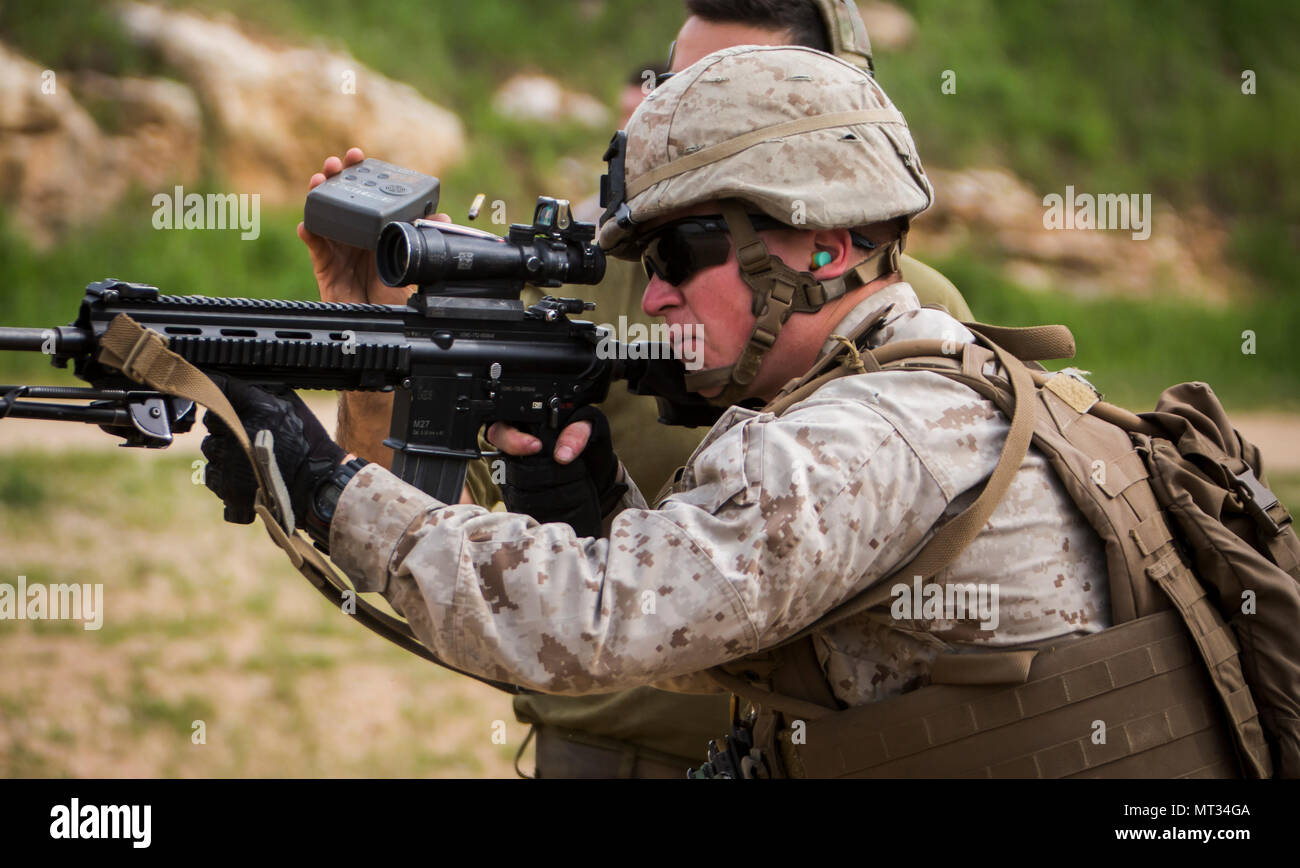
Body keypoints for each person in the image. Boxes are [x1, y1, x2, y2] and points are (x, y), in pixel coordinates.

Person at [202, 44, 1155, 779]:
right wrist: (596, 512)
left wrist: (326, 483)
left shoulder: (860, 438)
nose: (653, 299)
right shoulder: (921, 375)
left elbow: (588, 624)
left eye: (678, 255)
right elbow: (727, 628)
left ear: (822, 249)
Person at [293, 0, 976, 777]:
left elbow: (619, 602)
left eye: (719, 92)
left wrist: (321, 483)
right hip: (609, 734)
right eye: (665, 85)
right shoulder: (601, 268)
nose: (656, 296)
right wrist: (385, 347)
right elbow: (446, 516)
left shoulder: (901, 345)